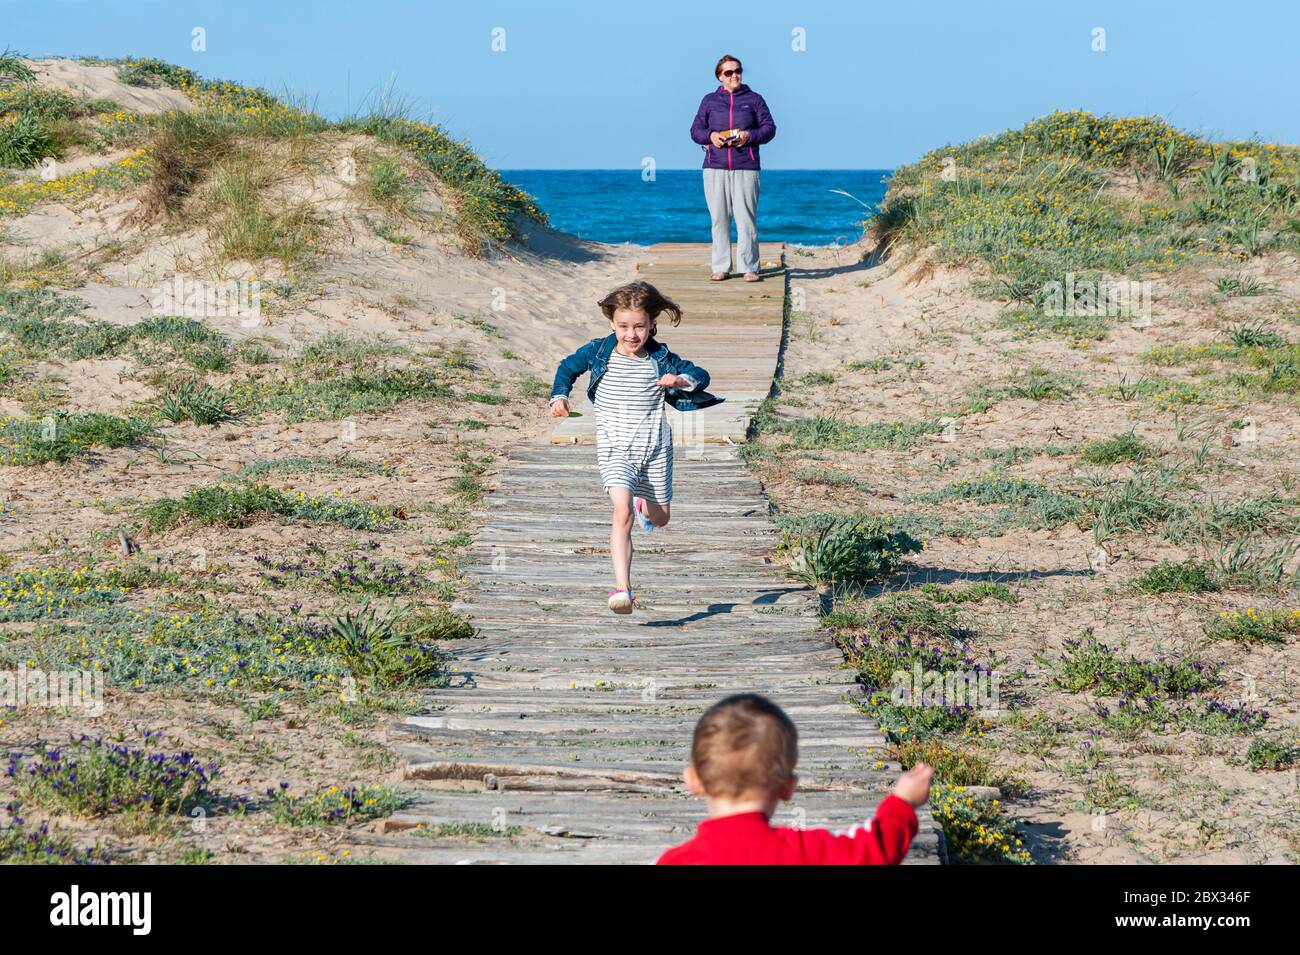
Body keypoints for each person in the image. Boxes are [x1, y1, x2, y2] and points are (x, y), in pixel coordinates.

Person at [549, 281, 722, 614]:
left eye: (639, 326)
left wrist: (681, 381)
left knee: (661, 518)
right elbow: (567, 367)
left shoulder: (661, 357)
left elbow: (701, 374)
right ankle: (622, 589)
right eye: (624, 326)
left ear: (652, 325)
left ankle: (647, 506)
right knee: (621, 512)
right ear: (612, 323)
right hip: (615, 449)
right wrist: (559, 396)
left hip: (655, 448)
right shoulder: (598, 351)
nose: (631, 334)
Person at [657, 693, 933, 864]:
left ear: (693, 780)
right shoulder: (806, 852)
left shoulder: (676, 861)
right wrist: (901, 803)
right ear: (788, 787)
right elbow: (874, 852)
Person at [689, 54, 777, 283]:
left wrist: (749, 136)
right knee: (719, 220)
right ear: (720, 77)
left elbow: (769, 129)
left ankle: (750, 267)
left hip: (746, 167)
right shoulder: (709, 100)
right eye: (728, 72)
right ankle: (721, 267)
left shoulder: (754, 99)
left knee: (746, 219)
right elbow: (695, 131)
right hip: (715, 167)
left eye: (737, 70)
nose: (734, 75)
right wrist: (711, 136)